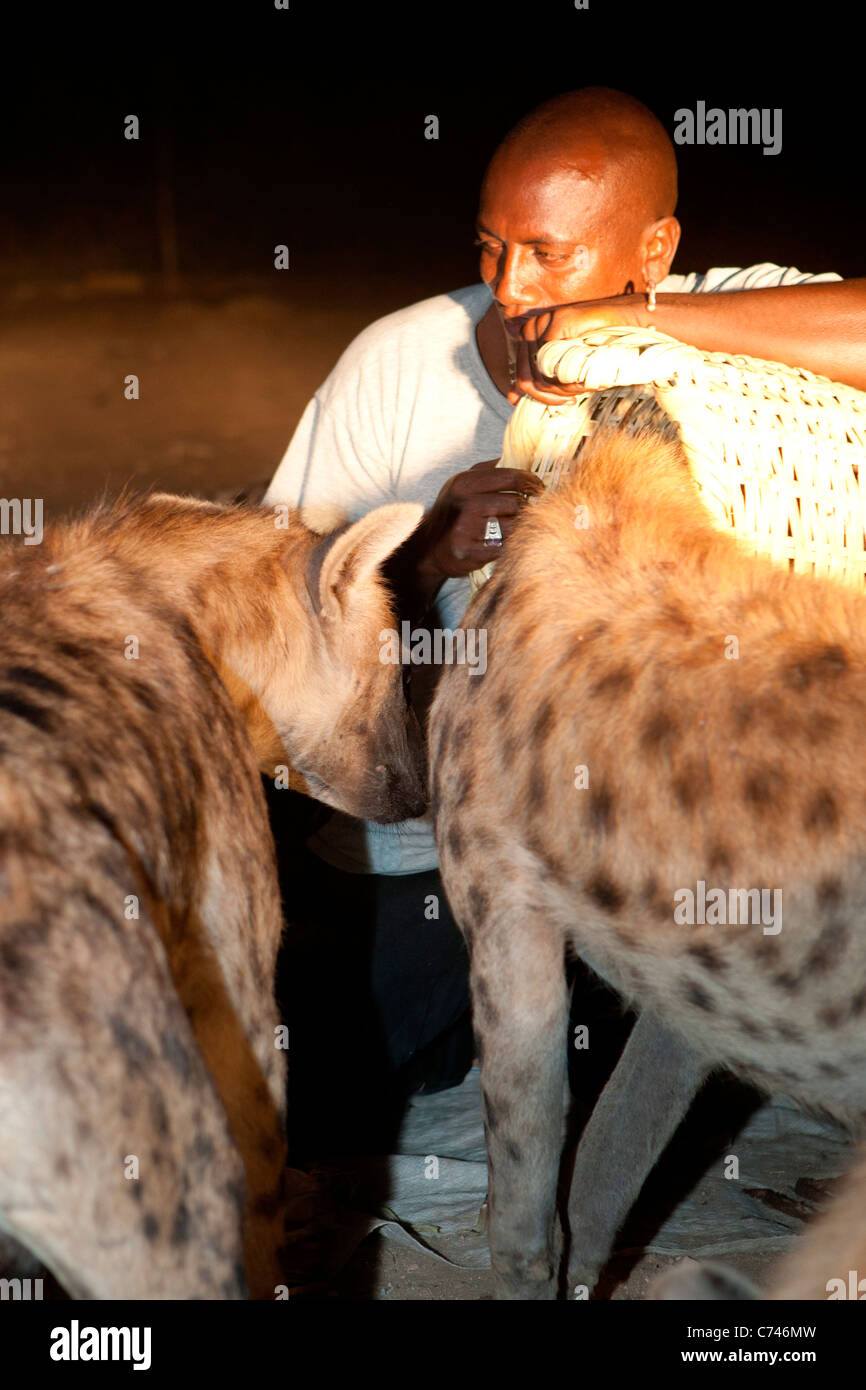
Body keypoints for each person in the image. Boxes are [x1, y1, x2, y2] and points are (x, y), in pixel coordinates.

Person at [266, 87, 863, 1157]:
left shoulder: (719, 329)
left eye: (547, 253)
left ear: (654, 248)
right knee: (289, 1081)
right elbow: (276, 633)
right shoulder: (396, 365)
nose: (508, 287)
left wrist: (635, 329)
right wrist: (421, 557)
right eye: (491, 247)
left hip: (658, 855)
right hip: (438, 860)